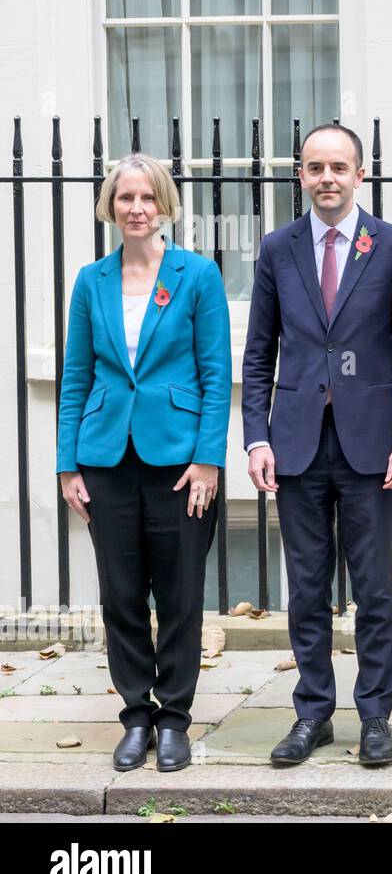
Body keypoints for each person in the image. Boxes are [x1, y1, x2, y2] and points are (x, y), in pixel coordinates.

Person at [242, 123, 392, 767]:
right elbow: (258, 353)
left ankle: (375, 716)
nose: (327, 178)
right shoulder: (277, 249)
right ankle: (312, 714)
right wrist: (255, 437)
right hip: (294, 444)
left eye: (339, 168)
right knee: (306, 587)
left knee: (374, 588)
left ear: (359, 175)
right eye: (315, 168)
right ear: (301, 176)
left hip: (372, 446)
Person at [57, 153, 231, 773]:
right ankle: (136, 716)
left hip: (180, 461)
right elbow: (75, 376)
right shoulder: (90, 281)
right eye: (126, 198)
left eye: (148, 198)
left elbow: (217, 373)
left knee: (180, 593)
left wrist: (209, 461)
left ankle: (175, 718)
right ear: (111, 206)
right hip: (105, 458)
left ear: (165, 205)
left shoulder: (198, 275)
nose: (137, 209)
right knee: (121, 595)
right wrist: (67, 465)